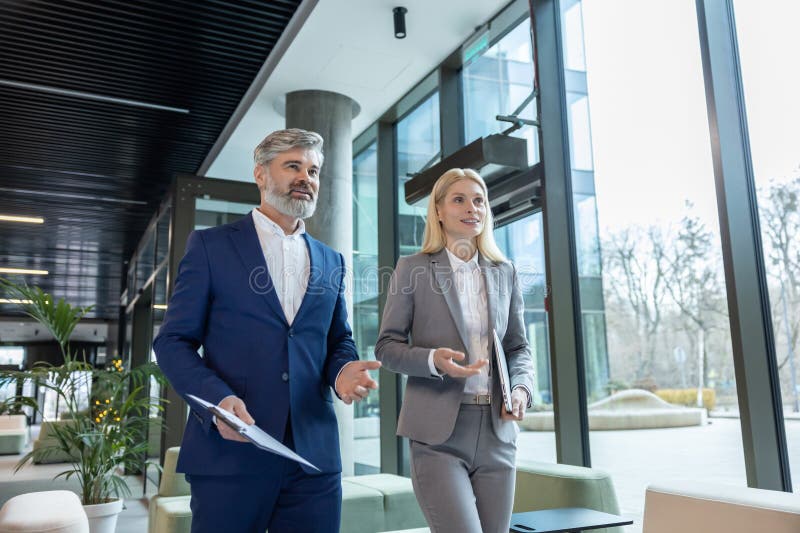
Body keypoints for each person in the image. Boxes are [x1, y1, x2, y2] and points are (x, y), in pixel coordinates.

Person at [153, 128, 380, 533]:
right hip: (231, 455)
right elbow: (173, 341)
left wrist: (342, 371)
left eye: (313, 171)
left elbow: (337, 340)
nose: (305, 178)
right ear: (260, 174)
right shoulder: (210, 247)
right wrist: (216, 401)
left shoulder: (332, 260)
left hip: (313, 461)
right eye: (293, 166)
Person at [375, 168, 534, 533]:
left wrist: (522, 389)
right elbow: (386, 347)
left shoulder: (505, 271)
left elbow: (518, 347)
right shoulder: (413, 269)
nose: (471, 208)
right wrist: (433, 360)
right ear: (439, 210)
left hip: (497, 432)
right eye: (459, 200)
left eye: (478, 201)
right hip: (438, 435)